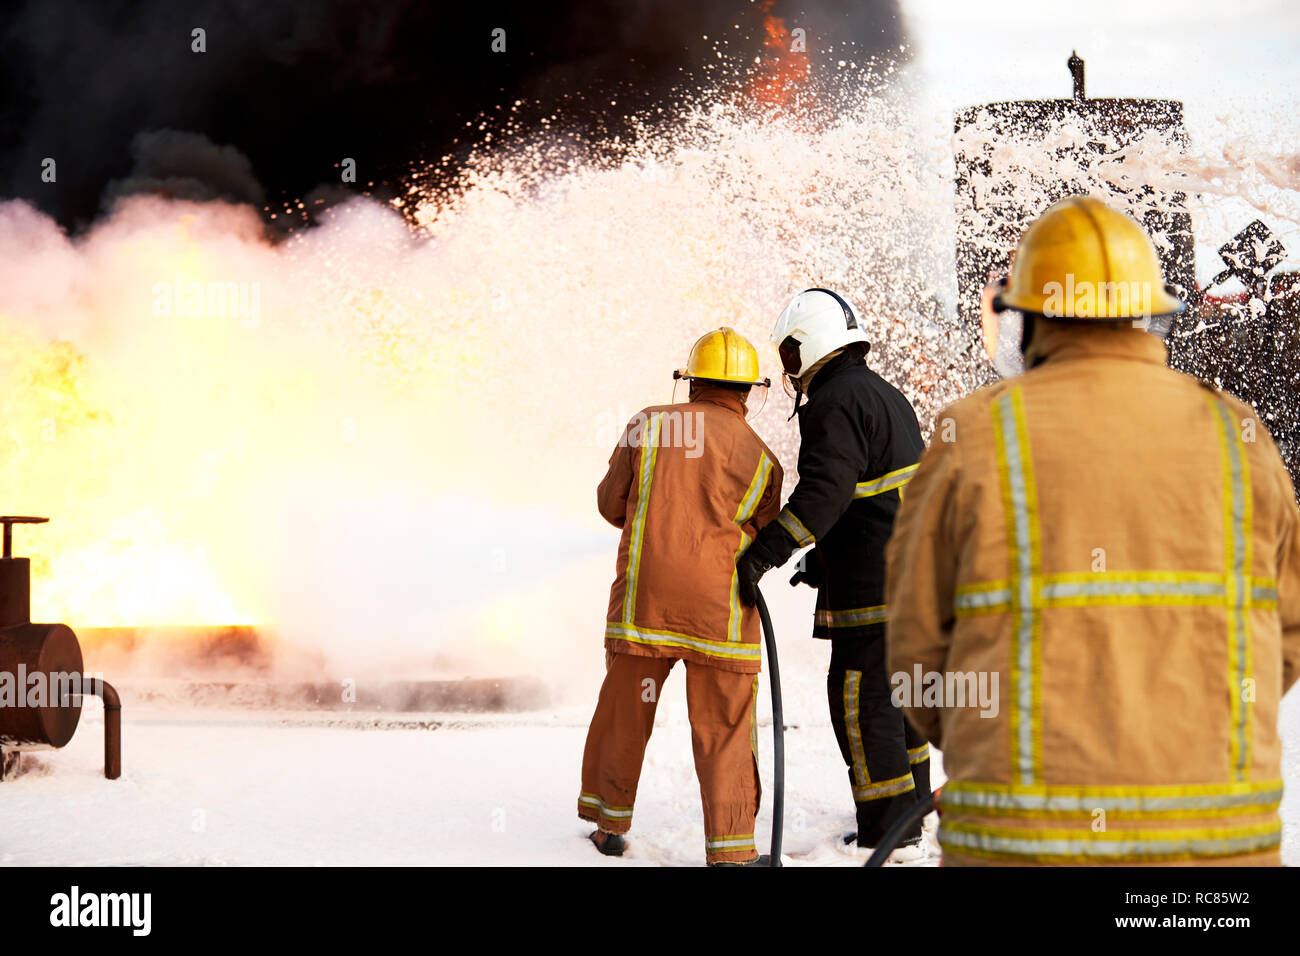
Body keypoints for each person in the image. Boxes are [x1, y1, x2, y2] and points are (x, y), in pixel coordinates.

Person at [885, 195, 1300, 865]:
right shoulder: (1239, 436)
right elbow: (1285, 639)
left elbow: (915, 656)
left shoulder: (974, 436)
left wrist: (983, 739)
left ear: (1029, 319)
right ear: (1146, 312)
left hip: (1025, 844)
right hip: (1216, 860)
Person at [578, 327, 783, 866]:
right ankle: (733, 850)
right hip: (721, 612)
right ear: (747, 390)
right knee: (725, 728)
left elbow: (609, 503)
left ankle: (607, 827)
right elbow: (766, 531)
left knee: (626, 713)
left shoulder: (647, 424)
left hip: (644, 607)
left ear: (690, 382)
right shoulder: (762, 457)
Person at [736, 289, 932, 849]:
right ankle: (911, 813)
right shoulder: (879, 391)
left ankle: (887, 830)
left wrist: (766, 552)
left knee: (861, 697)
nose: (787, 368)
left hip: (878, 586)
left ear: (812, 341)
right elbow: (871, 493)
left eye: (790, 354)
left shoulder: (836, 399)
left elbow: (826, 491)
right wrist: (822, 560)